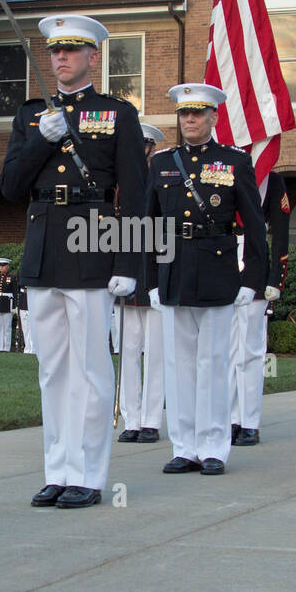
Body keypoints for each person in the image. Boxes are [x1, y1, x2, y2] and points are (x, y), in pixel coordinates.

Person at [1, 13, 146, 508]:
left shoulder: (117, 114)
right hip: (43, 244)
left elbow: (136, 195)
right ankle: (58, 469)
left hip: (92, 242)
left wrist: (129, 264)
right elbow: (9, 187)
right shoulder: (30, 115)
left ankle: (87, 474)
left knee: (89, 368)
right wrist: (42, 137)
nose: (60, 58)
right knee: (52, 369)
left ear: (93, 56)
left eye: (71, 49)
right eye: (54, 51)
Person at [147, 83, 266, 476]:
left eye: (198, 113)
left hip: (217, 271)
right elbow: (147, 225)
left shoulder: (233, 161)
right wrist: (149, 278)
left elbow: (254, 221)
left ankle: (214, 445)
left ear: (214, 117)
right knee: (178, 366)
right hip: (174, 270)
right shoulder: (161, 162)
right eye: (184, 114)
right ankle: (184, 446)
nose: (190, 120)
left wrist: (252, 277)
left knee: (214, 364)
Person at [229, 169, 290, 447]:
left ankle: (249, 421)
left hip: (254, 264)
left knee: (250, 351)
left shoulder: (271, 179)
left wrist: (277, 276)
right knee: (223, 352)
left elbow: (280, 229)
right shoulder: (218, 167)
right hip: (221, 263)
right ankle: (228, 418)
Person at [117, 122, 166, 444]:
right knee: (128, 351)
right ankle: (131, 419)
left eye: (145, 147)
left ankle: (151, 419)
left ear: (150, 150)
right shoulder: (119, 185)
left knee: (157, 354)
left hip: (154, 280)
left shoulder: (161, 183)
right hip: (126, 282)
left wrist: (163, 279)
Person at [0, 258, 18, 352]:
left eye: (3, 266)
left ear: (7, 266)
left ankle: (6, 348)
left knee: (7, 327)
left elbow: (15, 293)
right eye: (0, 266)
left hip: (7, 304)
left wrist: (15, 306)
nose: (1, 267)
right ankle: (1, 347)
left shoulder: (12, 277)